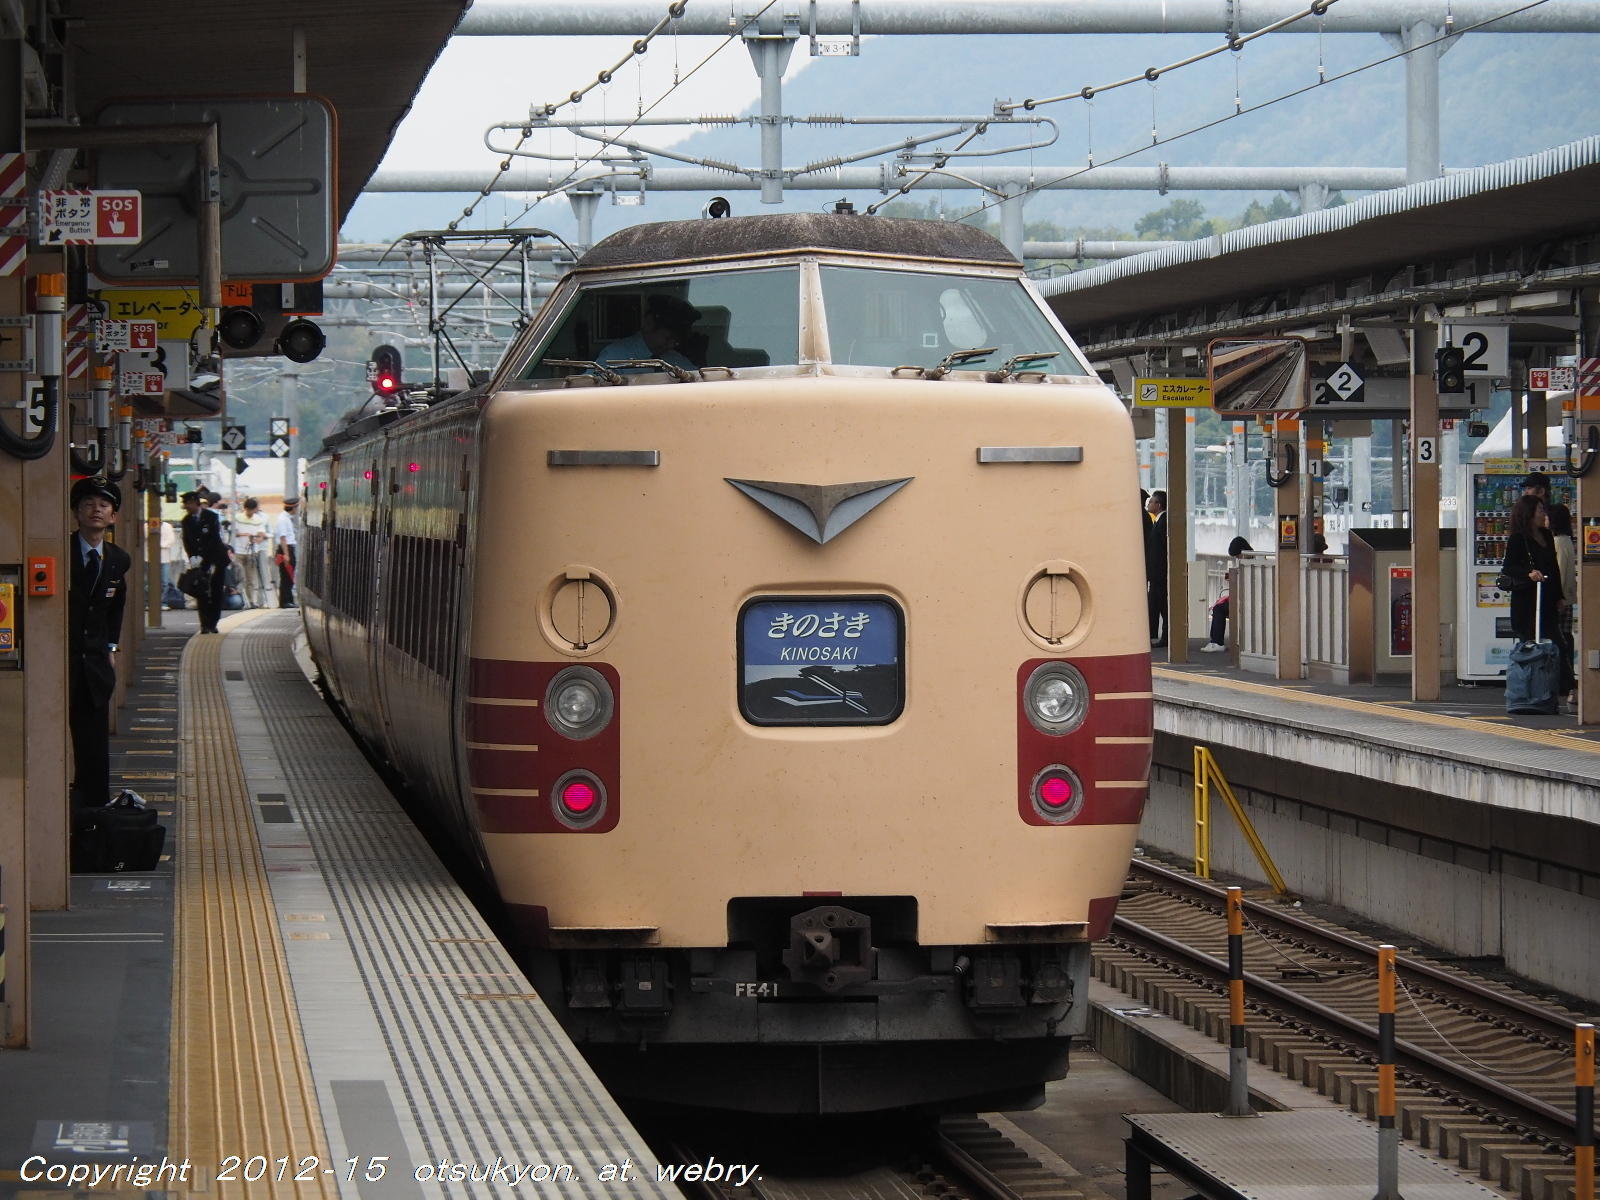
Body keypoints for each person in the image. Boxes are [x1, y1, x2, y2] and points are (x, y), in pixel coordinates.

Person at [68, 476, 131, 808]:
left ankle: (94, 811)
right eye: (88, 504)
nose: (96, 510)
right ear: (76, 513)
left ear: (113, 516)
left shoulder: (118, 559)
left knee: (94, 744)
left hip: (94, 667)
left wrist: (110, 647)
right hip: (61, 662)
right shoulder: (60, 551)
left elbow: (115, 607)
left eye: (104, 505)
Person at [1501, 494, 1574, 699]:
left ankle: (1565, 688)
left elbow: (1554, 568)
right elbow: (1508, 567)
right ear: (1529, 514)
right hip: (1526, 602)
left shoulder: (1547, 535)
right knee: (1529, 647)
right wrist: (1529, 573)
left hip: (1547, 600)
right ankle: (1530, 689)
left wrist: (1559, 596)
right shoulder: (1518, 538)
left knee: (1558, 645)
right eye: (1540, 510)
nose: (1544, 514)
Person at [596, 294, 700, 372]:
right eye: (667, 338)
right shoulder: (614, 356)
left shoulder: (676, 359)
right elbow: (595, 388)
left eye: (676, 341)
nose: (671, 345)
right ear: (649, 324)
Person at [181, 489, 229, 634]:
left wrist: (208, 560)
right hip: (199, 562)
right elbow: (187, 541)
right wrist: (192, 557)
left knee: (216, 591)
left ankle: (213, 623)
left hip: (216, 559)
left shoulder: (211, 517)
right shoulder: (186, 521)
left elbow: (214, 539)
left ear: (195, 503)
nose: (186, 507)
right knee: (201, 591)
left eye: (188, 504)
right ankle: (204, 624)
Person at [1200, 536, 1253, 653]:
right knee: (1218, 607)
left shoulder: (1251, 562)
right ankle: (1215, 641)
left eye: (1238, 555)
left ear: (1242, 550)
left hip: (1246, 601)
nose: (1237, 558)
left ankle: (1217, 642)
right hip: (1243, 598)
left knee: (1219, 609)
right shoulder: (1250, 560)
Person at [233, 497, 272, 608]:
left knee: (251, 578)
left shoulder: (258, 520)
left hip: (252, 552)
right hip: (239, 551)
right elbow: (234, 533)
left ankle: (252, 601)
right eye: (248, 510)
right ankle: (242, 600)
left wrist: (257, 540)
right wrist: (245, 534)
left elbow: (261, 534)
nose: (250, 512)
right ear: (245, 508)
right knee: (240, 577)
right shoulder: (237, 518)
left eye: (252, 510)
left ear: (255, 509)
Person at [1144, 489, 1168, 646]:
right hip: (1155, 573)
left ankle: (1166, 637)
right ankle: (1153, 635)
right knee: (1154, 605)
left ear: (1158, 505)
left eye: (1151, 501)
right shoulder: (1158, 521)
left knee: (1163, 605)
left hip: (1159, 572)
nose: (1149, 504)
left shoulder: (1163, 522)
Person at [275, 496, 299, 608]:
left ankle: (288, 600)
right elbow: (283, 538)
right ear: (293, 508)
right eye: (296, 508)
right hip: (285, 549)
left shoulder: (286, 518)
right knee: (286, 576)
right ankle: (285, 601)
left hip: (287, 549)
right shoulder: (283, 519)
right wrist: (286, 555)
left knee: (289, 575)